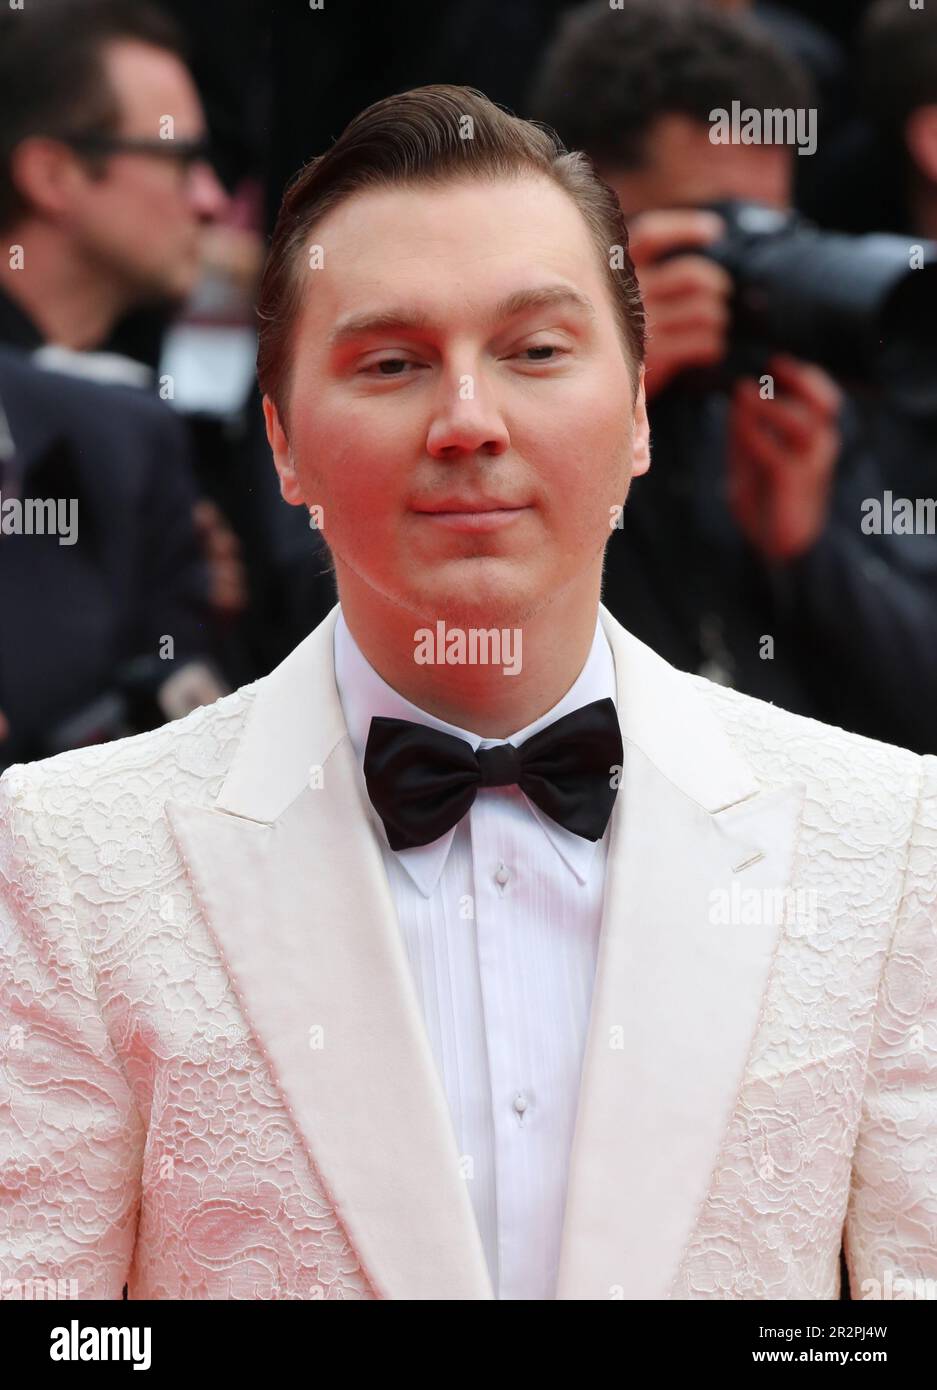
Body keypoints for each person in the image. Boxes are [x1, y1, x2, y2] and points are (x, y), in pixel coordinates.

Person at [0, 85, 934, 1302]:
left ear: (639, 408)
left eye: (536, 350)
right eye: (391, 362)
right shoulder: (68, 859)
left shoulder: (885, 841)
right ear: (282, 444)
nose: (467, 421)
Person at [529, 0, 937, 754]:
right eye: (709, 226)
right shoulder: (464, 411)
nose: (737, 269)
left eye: (766, 232)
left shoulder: (784, 409)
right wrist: (592, 396)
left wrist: (808, 555)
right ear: (572, 211)